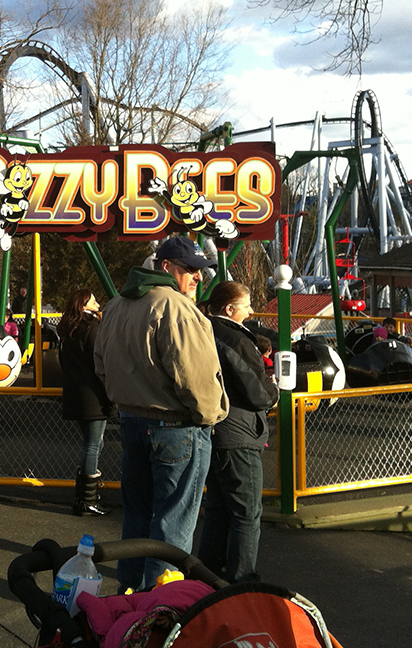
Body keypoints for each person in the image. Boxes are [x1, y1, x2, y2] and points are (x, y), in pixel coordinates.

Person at [94, 235, 227, 592]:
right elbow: (195, 376)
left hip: (132, 422)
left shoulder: (116, 305)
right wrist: (211, 415)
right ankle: (160, 605)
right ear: (167, 268)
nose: (198, 278)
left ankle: (128, 596)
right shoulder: (177, 309)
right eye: (191, 271)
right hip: (176, 427)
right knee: (173, 524)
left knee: (136, 518)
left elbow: (101, 365)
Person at [197, 281, 279, 583]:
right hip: (239, 432)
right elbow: (257, 392)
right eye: (246, 304)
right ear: (230, 309)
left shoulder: (204, 331)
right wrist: (275, 391)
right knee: (247, 512)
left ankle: (207, 573)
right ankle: (242, 578)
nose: (251, 310)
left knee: (218, 508)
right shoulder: (235, 339)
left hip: (212, 428)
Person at [57, 288, 113, 518]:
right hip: (93, 395)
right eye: (93, 300)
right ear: (83, 306)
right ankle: (87, 499)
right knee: (93, 445)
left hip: (75, 392)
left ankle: (84, 497)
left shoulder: (67, 331)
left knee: (91, 444)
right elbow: (100, 362)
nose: (97, 303)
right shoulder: (92, 329)